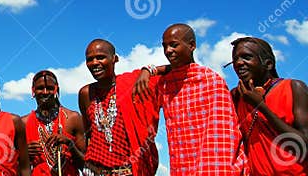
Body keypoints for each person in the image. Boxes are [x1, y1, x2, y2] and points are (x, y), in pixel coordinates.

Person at [153, 24, 239, 175]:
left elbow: (225, 134)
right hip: (181, 167)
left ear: (192, 45)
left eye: (174, 45)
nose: (168, 51)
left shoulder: (211, 81)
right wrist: (148, 70)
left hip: (216, 167)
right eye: (164, 46)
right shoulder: (165, 85)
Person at [80, 39, 162, 176]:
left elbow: (175, 69)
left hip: (129, 171)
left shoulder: (133, 84)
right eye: (90, 59)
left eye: (100, 57)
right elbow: (89, 135)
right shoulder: (86, 93)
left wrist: (148, 70)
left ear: (115, 59)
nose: (94, 63)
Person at [230, 36, 308, 175]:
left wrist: (262, 107)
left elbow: (305, 143)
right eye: (235, 59)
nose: (239, 63)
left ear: (268, 64)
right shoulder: (236, 96)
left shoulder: (293, 88)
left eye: (246, 57)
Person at [22, 70, 86, 176]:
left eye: (50, 88)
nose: (45, 92)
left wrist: (70, 145)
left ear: (57, 90)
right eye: (40, 88)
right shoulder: (24, 122)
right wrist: (24, 155)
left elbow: (85, 164)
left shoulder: (72, 118)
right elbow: (14, 165)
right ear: (33, 91)